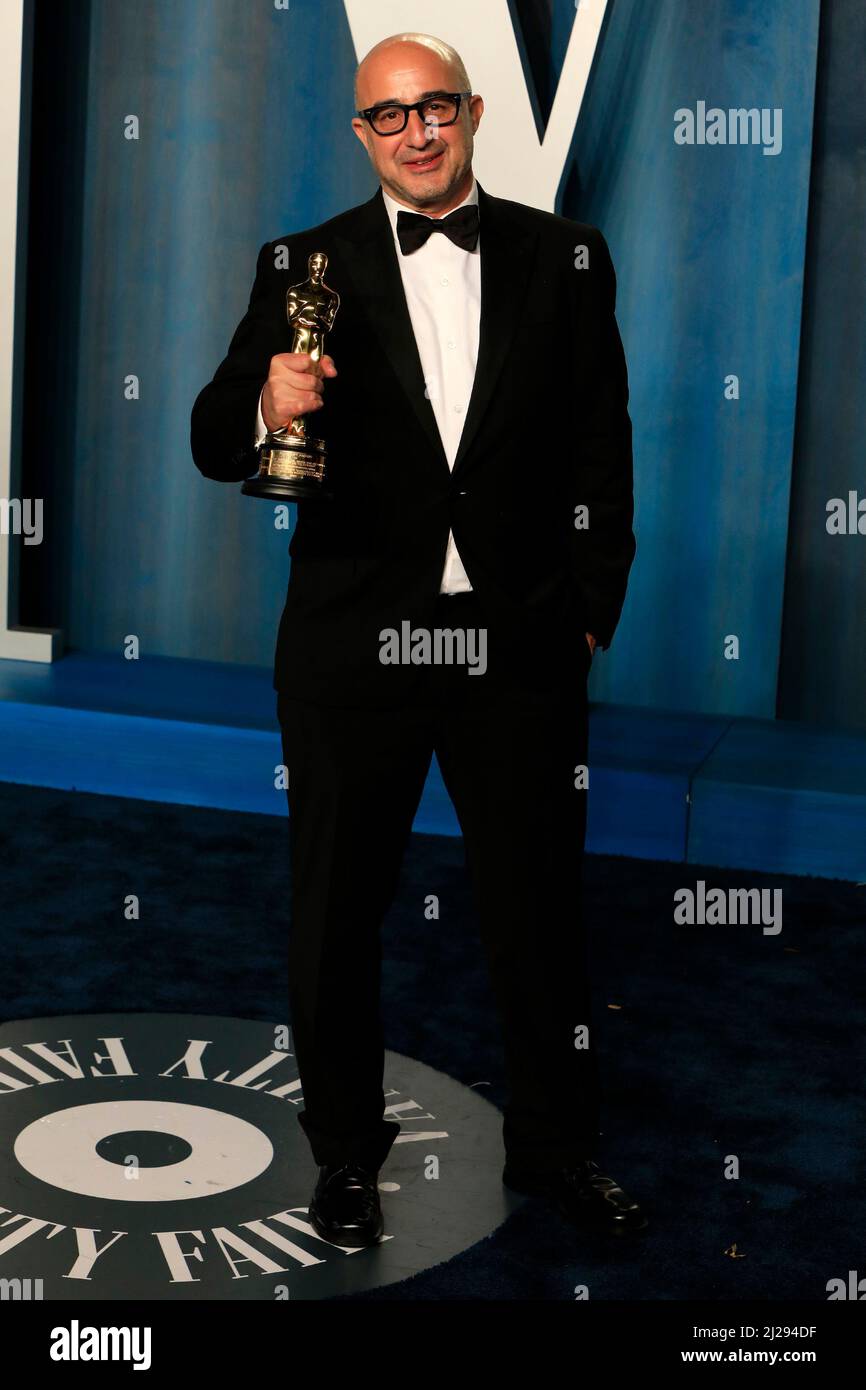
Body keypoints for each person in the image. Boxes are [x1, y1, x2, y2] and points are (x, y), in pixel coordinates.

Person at [190, 30, 643, 1247]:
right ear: (360, 133)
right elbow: (209, 437)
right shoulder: (302, 263)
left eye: (433, 107)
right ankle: (342, 1154)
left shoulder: (567, 258)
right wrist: (262, 404)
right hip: (353, 651)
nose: (416, 133)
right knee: (336, 910)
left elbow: (603, 441)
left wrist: (586, 609)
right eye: (387, 117)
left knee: (537, 910)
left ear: (473, 110)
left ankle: (554, 1149)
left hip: (514, 650)